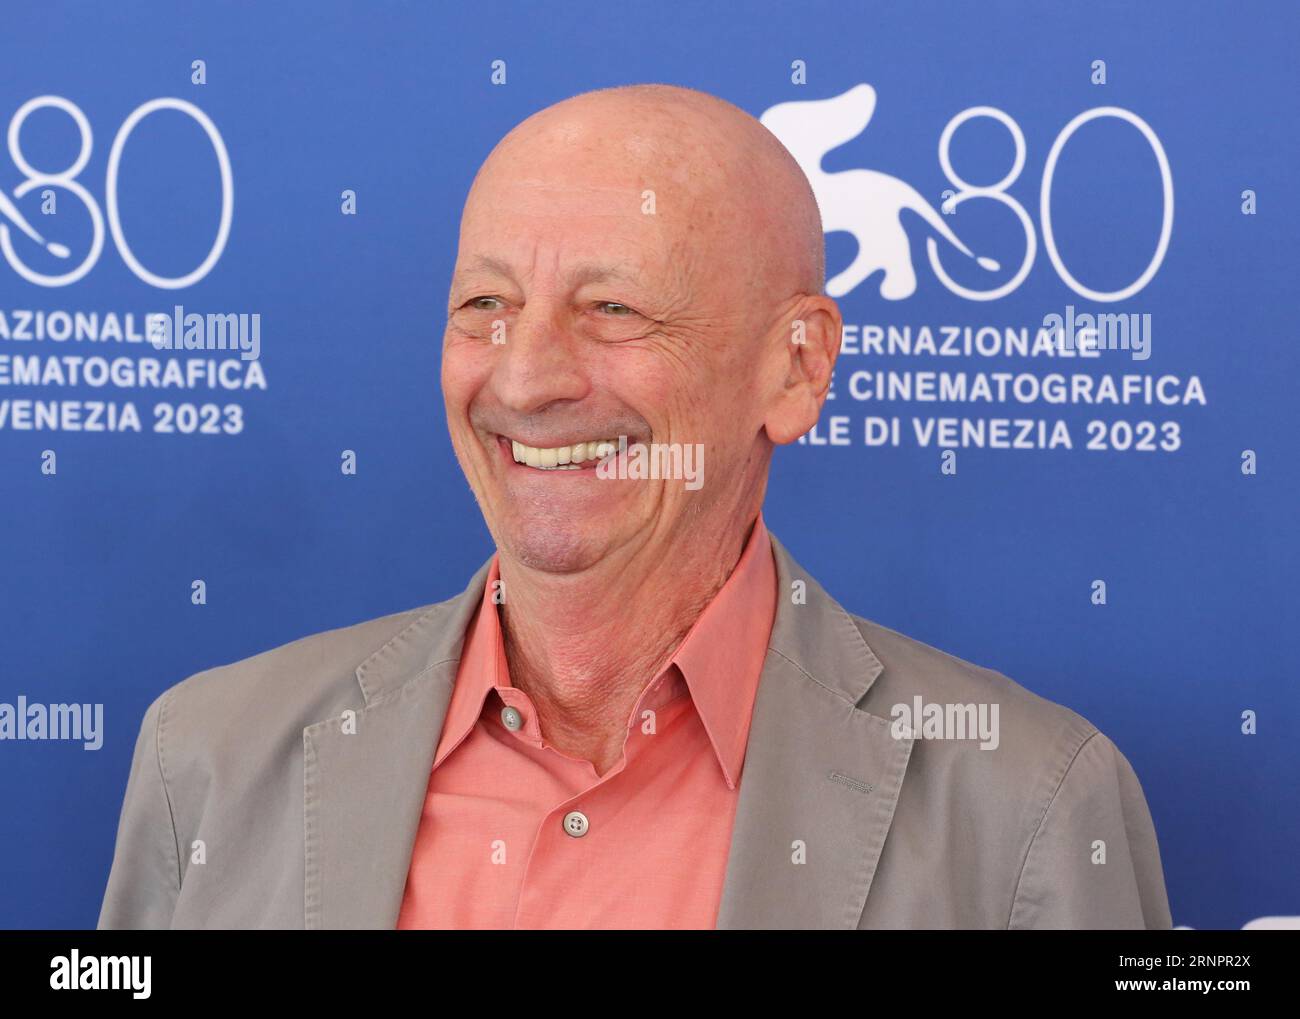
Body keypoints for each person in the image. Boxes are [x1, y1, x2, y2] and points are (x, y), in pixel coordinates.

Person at [99, 84, 1171, 929]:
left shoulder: (1029, 807)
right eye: (487, 305)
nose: (523, 381)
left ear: (796, 367)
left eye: (613, 308)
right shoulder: (207, 755)